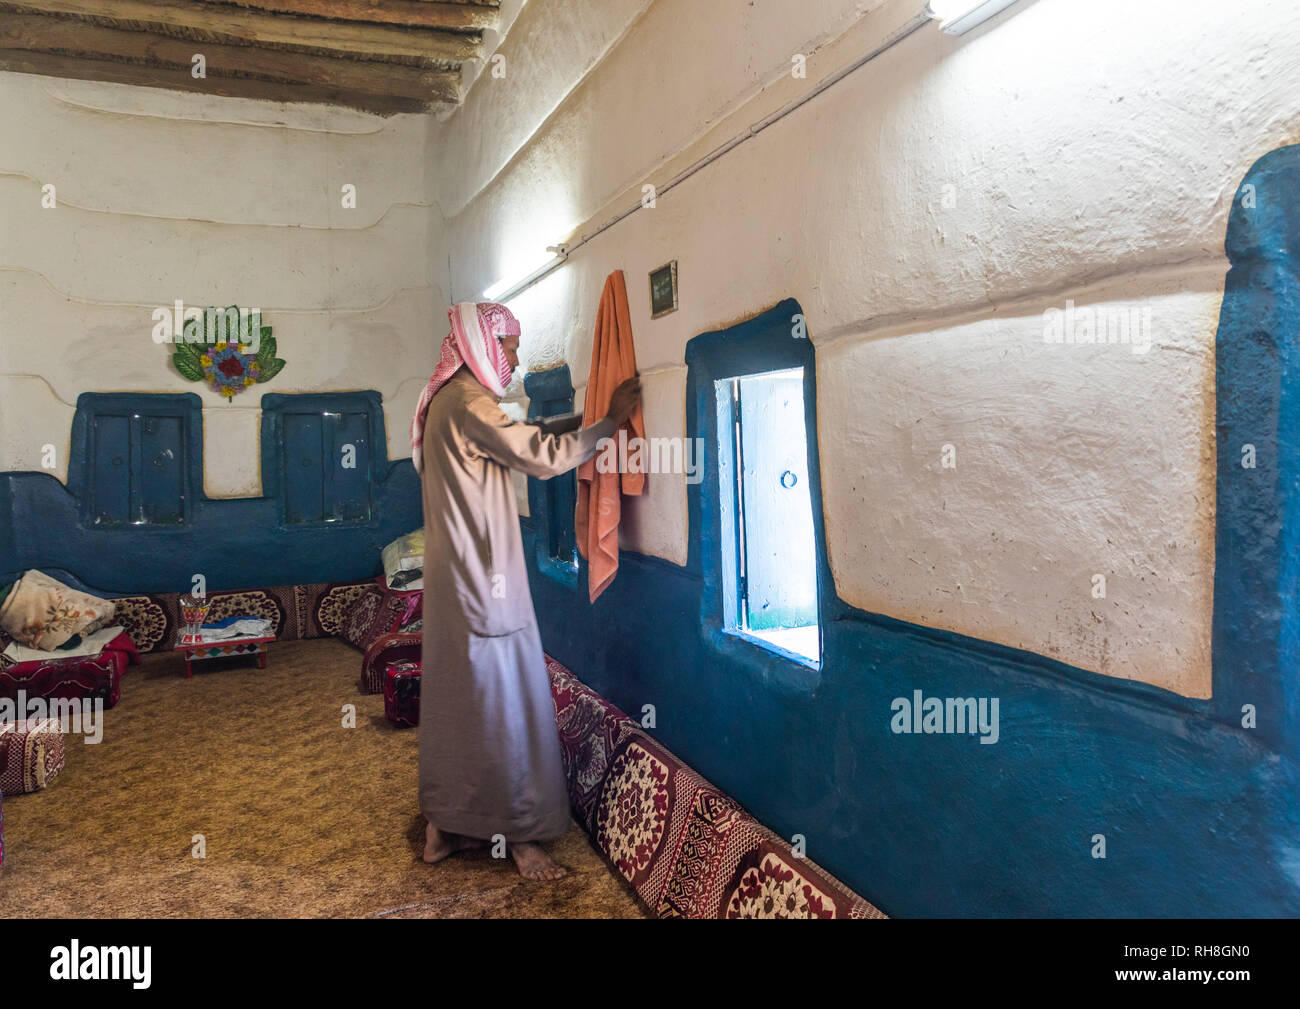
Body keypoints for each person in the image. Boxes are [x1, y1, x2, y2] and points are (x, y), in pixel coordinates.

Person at [409, 301, 641, 880]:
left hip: (455, 584)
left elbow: (523, 435)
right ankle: (519, 837)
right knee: (505, 705)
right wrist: (609, 421)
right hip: (486, 587)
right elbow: (541, 458)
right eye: (509, 345)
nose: (513, 356)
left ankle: (444, 826)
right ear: (484, 345)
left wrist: (575, 420)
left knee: (459, 703)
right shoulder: (470, 404)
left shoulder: (446, 403)